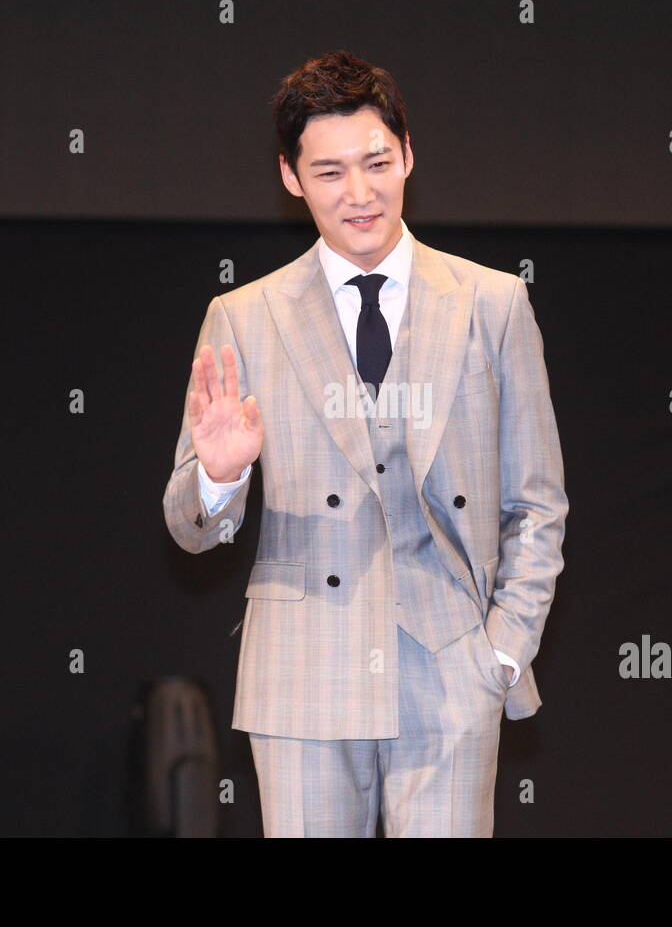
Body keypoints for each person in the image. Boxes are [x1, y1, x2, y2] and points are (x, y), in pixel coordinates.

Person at [163, 49, 568, 837]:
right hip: (303, 674)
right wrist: (217, 479)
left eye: (377, 163)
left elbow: (537, 501)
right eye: (329, 172)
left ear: (409, 154)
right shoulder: (244, 317)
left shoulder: (492, 304)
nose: (359, 194)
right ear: (290, 177)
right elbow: (188, 524)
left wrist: (503, 655)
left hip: (451, 673)